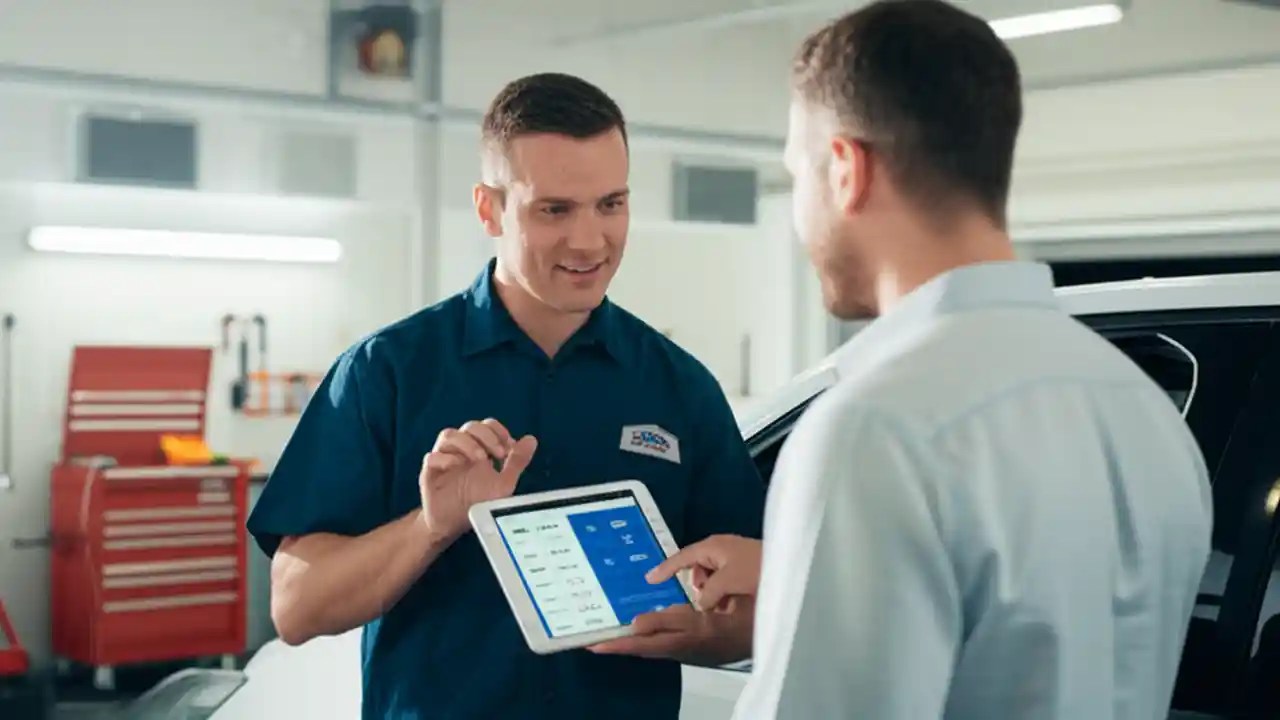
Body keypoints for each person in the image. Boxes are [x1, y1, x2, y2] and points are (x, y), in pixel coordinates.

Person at [594, 2, 1214, 718]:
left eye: (799, 176)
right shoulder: (1146, 411)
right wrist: (796, 572)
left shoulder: (877, 427)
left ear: (846, 170)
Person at [246, 72, 764, 719]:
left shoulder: (680, 388)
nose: (589, 241)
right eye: (554, 210)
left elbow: (751, 617)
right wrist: (431, 527)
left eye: (610, 204)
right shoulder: (389, 373)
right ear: (489, 208)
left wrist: (698, 630)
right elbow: (295, 608)